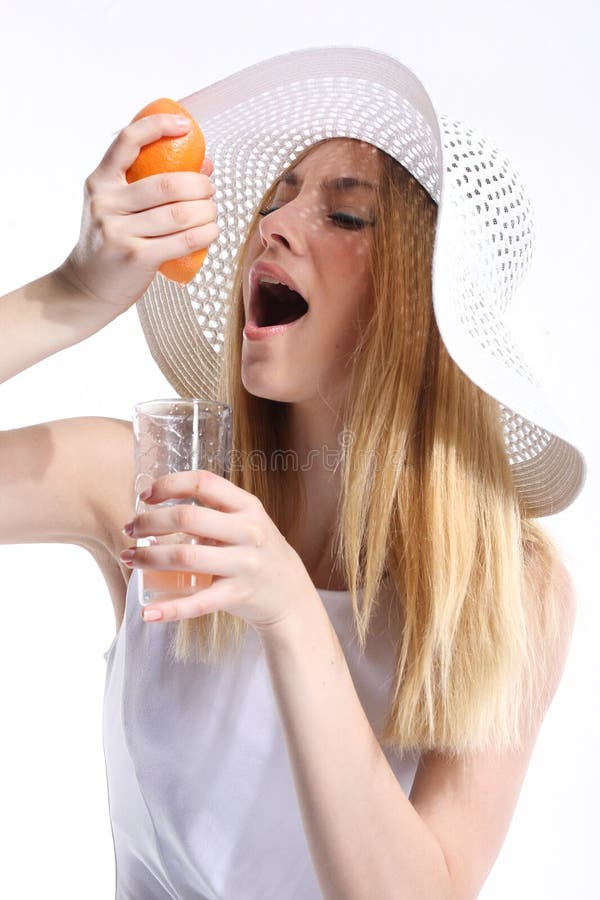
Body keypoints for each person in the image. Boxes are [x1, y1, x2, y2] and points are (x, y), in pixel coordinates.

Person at [0, 46, 586, 899]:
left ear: (426, 313)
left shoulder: (509, 587)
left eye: (346, 217)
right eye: (276, 198)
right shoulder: (155, 489)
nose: (270, 226)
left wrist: (289, 609)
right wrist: (68, 297)